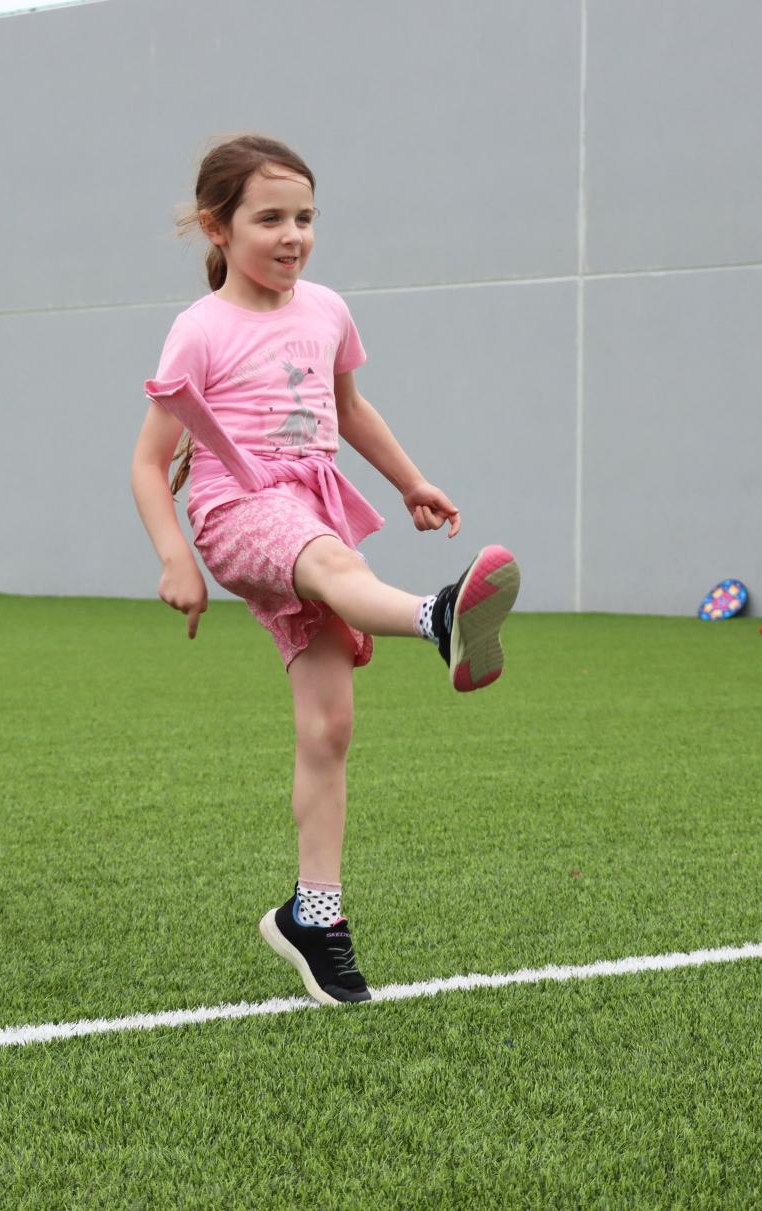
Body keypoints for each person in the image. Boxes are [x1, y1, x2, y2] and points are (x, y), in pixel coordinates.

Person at [128, 135, 521, 1005]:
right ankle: (437, 618)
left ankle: (316, 915)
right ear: (216, 227)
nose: (292, 234)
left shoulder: (328, 310)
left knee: (329, 728)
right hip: (238, 513)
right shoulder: (199, 329)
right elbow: (149, 462)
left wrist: (411, 480)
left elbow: (349, 409)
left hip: (310, 507)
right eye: (269, 218)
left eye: (305, 217)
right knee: (336, 560)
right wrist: (175, 559)